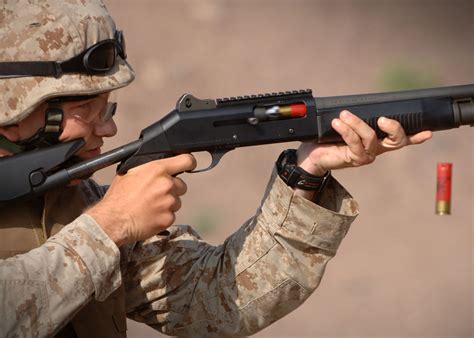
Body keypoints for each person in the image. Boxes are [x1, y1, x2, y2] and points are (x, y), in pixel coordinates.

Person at [0, 0, 432, 337]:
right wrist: (108, 226)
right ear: (16, 111)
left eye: (107, 108)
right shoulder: (101, 217)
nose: (109, 128)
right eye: (85, 109)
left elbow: (218, 300)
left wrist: (307, 173)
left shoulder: (76, 203)